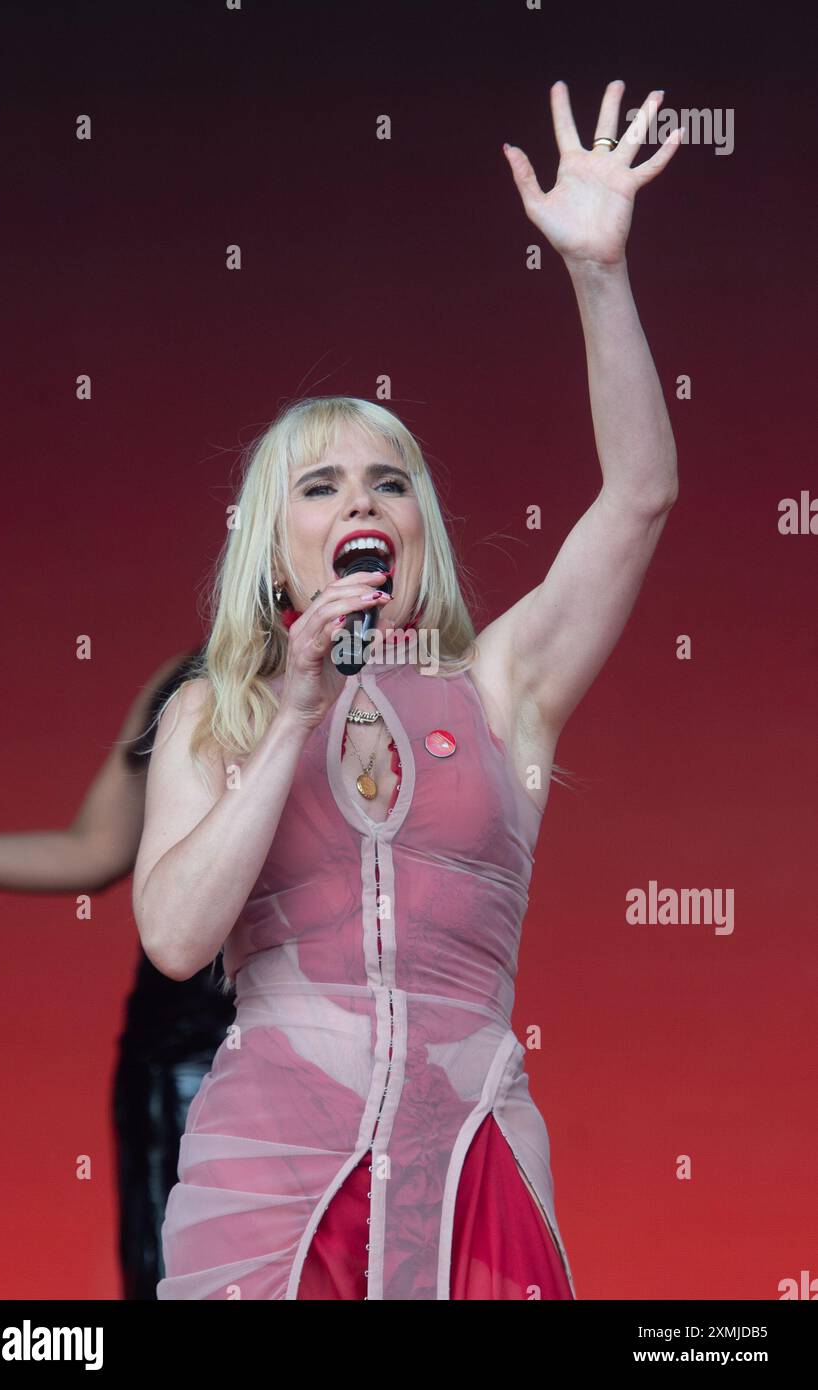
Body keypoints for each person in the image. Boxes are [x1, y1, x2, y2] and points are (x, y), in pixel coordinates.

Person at [134, 80, 681, 1300]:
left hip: (471, 1145)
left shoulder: (501, 686)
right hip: (272, 1168)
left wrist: (596, 271)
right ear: (276, 543)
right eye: (320, 486)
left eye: (389, 482)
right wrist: (289, 710)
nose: (363, 503)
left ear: (420, 528)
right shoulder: (211, 713)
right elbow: (174, 938)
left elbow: (638, 496)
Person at [0, 647, 236, 1299]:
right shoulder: (193, 678)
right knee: (178, 1279)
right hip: (184, 1053)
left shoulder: (394, 685)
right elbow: (95, 849)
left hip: (332, 1043)